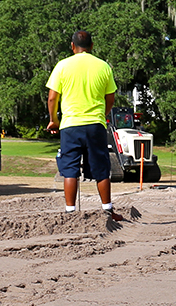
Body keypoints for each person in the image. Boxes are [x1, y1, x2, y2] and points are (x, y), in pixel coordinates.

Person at [47, 30, 124, 221]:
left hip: (70, 125)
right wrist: (101, 115)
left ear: (72, 46)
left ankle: (70, 211)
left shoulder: (62, 66)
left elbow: (52, 98)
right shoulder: (103, 66)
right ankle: (107, 209)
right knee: (101, 168)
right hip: (95, 125)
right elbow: (110, 97)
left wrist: (54, 120)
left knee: (70, 169)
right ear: (91, 46)